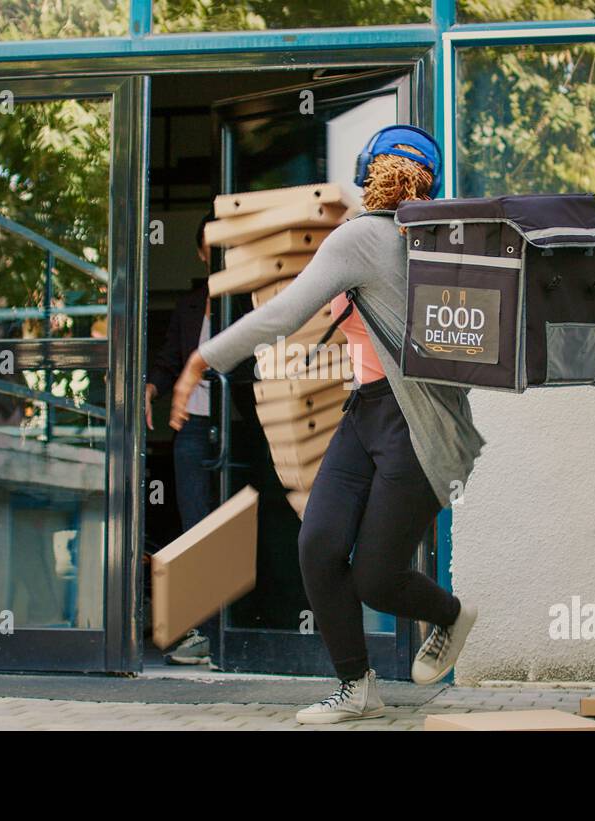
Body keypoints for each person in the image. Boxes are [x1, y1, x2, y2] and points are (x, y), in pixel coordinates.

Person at [169, 125, 485, 724]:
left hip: (411, 428)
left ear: (372, 173)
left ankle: (448, 615)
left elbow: (284, 314)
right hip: (366, 414)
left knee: (375, 576)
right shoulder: (424, 238)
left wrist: (201, 358)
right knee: (318, 545)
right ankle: (358, 687)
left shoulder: (360, 239)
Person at [145, 213, 219, 665]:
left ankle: (231, 632)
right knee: (197, 529)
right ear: (200, 252)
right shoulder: (189, 305)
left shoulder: (248, 303)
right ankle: (202, 632)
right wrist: (153, 384)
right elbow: (170, 356)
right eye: (210, 245)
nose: (217, 252)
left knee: (241, 526)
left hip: (238, 429)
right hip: (191, 427)